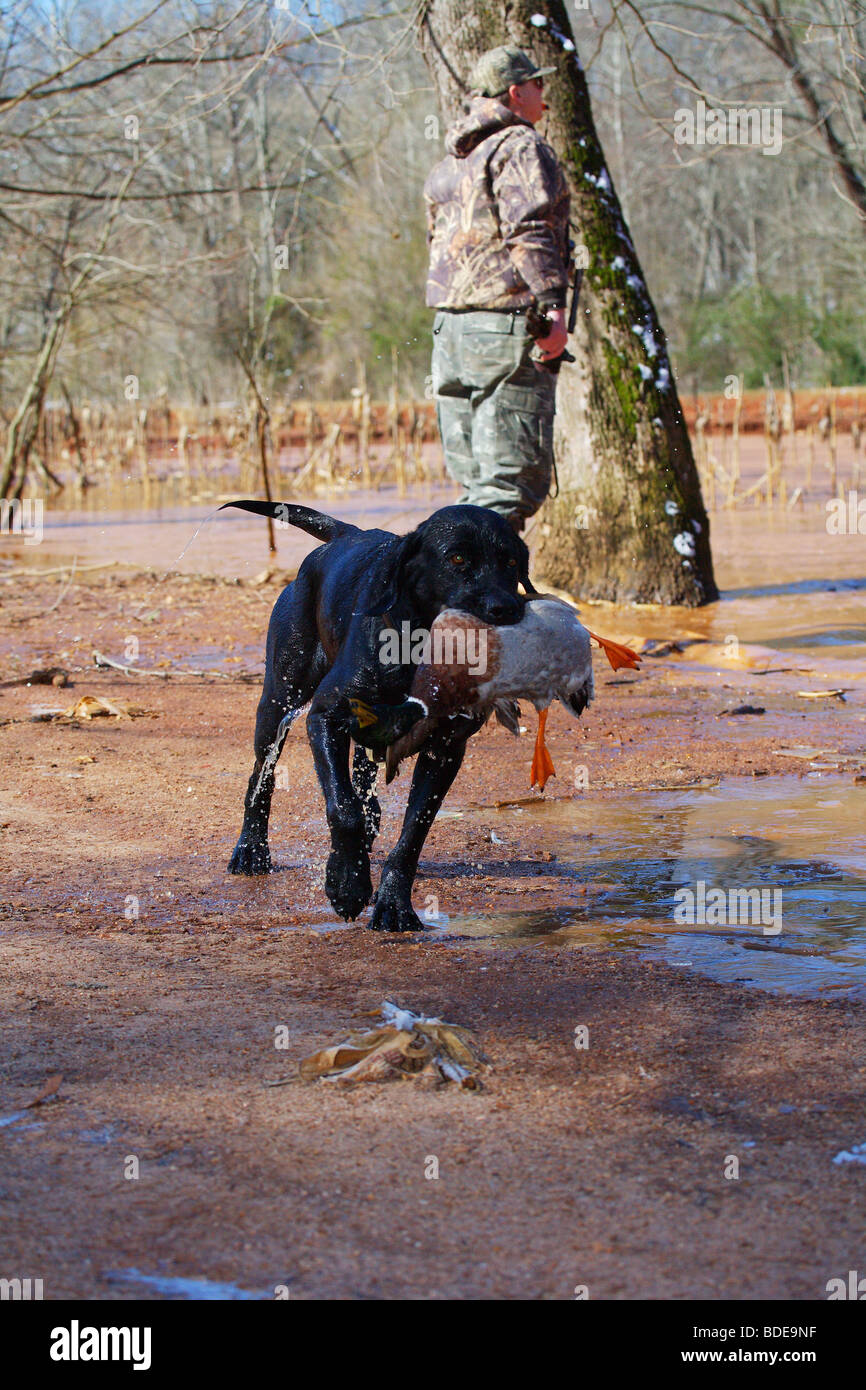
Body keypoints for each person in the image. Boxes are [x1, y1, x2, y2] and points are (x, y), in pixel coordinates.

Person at [424, 45, 572, 533]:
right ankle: (480, 606)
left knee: (475, 490)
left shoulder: (449, 164)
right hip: (504, 326)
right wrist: (551, 306)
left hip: (450, 332)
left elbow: (436, 242)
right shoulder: (520, 146)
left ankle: (452, 601)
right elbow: (529, 229)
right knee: (506, 488)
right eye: (538, 84)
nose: (544, 95)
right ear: (516, 91)